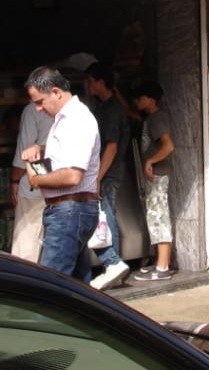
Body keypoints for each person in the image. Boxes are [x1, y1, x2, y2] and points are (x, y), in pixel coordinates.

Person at [22, 66, 101, 282]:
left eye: (39, 102)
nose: (38, 109)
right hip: (69, 210)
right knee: (75, 286)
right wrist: (40, 153)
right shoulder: (64, 119)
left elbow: (72, 175)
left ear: (56, 92)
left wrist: (35, 178)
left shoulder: (76, 119)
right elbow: (60, 165)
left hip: (70, 210)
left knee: (51, 286)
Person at [86, 62, 132, 290]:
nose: (88, 85)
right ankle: (116, 266)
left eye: (90, 81)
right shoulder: (103, 106)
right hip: (107, 172)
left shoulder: (113, 109)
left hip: (109, 172)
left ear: (100, 82)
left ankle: (114, 264)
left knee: (106, 215)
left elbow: (111, 148)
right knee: (108, 214)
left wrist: (97, 177)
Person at [133, 80, 176, 281]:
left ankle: (163, 267)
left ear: (150, 100)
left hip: (158, 175)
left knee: (160, 217)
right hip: (154, 175)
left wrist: (150, 160)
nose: (137, 101)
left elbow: (168, 147)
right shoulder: (150, 118)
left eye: (140, 98)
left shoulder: (158, 119)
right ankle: (159, 261)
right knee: (154, 217)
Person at [10, 101, 53, 262]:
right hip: (59, 183)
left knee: (26, 241)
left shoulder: (31, 111)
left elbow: (24, 152)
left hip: (33, 183)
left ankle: (24, 280)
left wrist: (14, 180)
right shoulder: (68, 111)